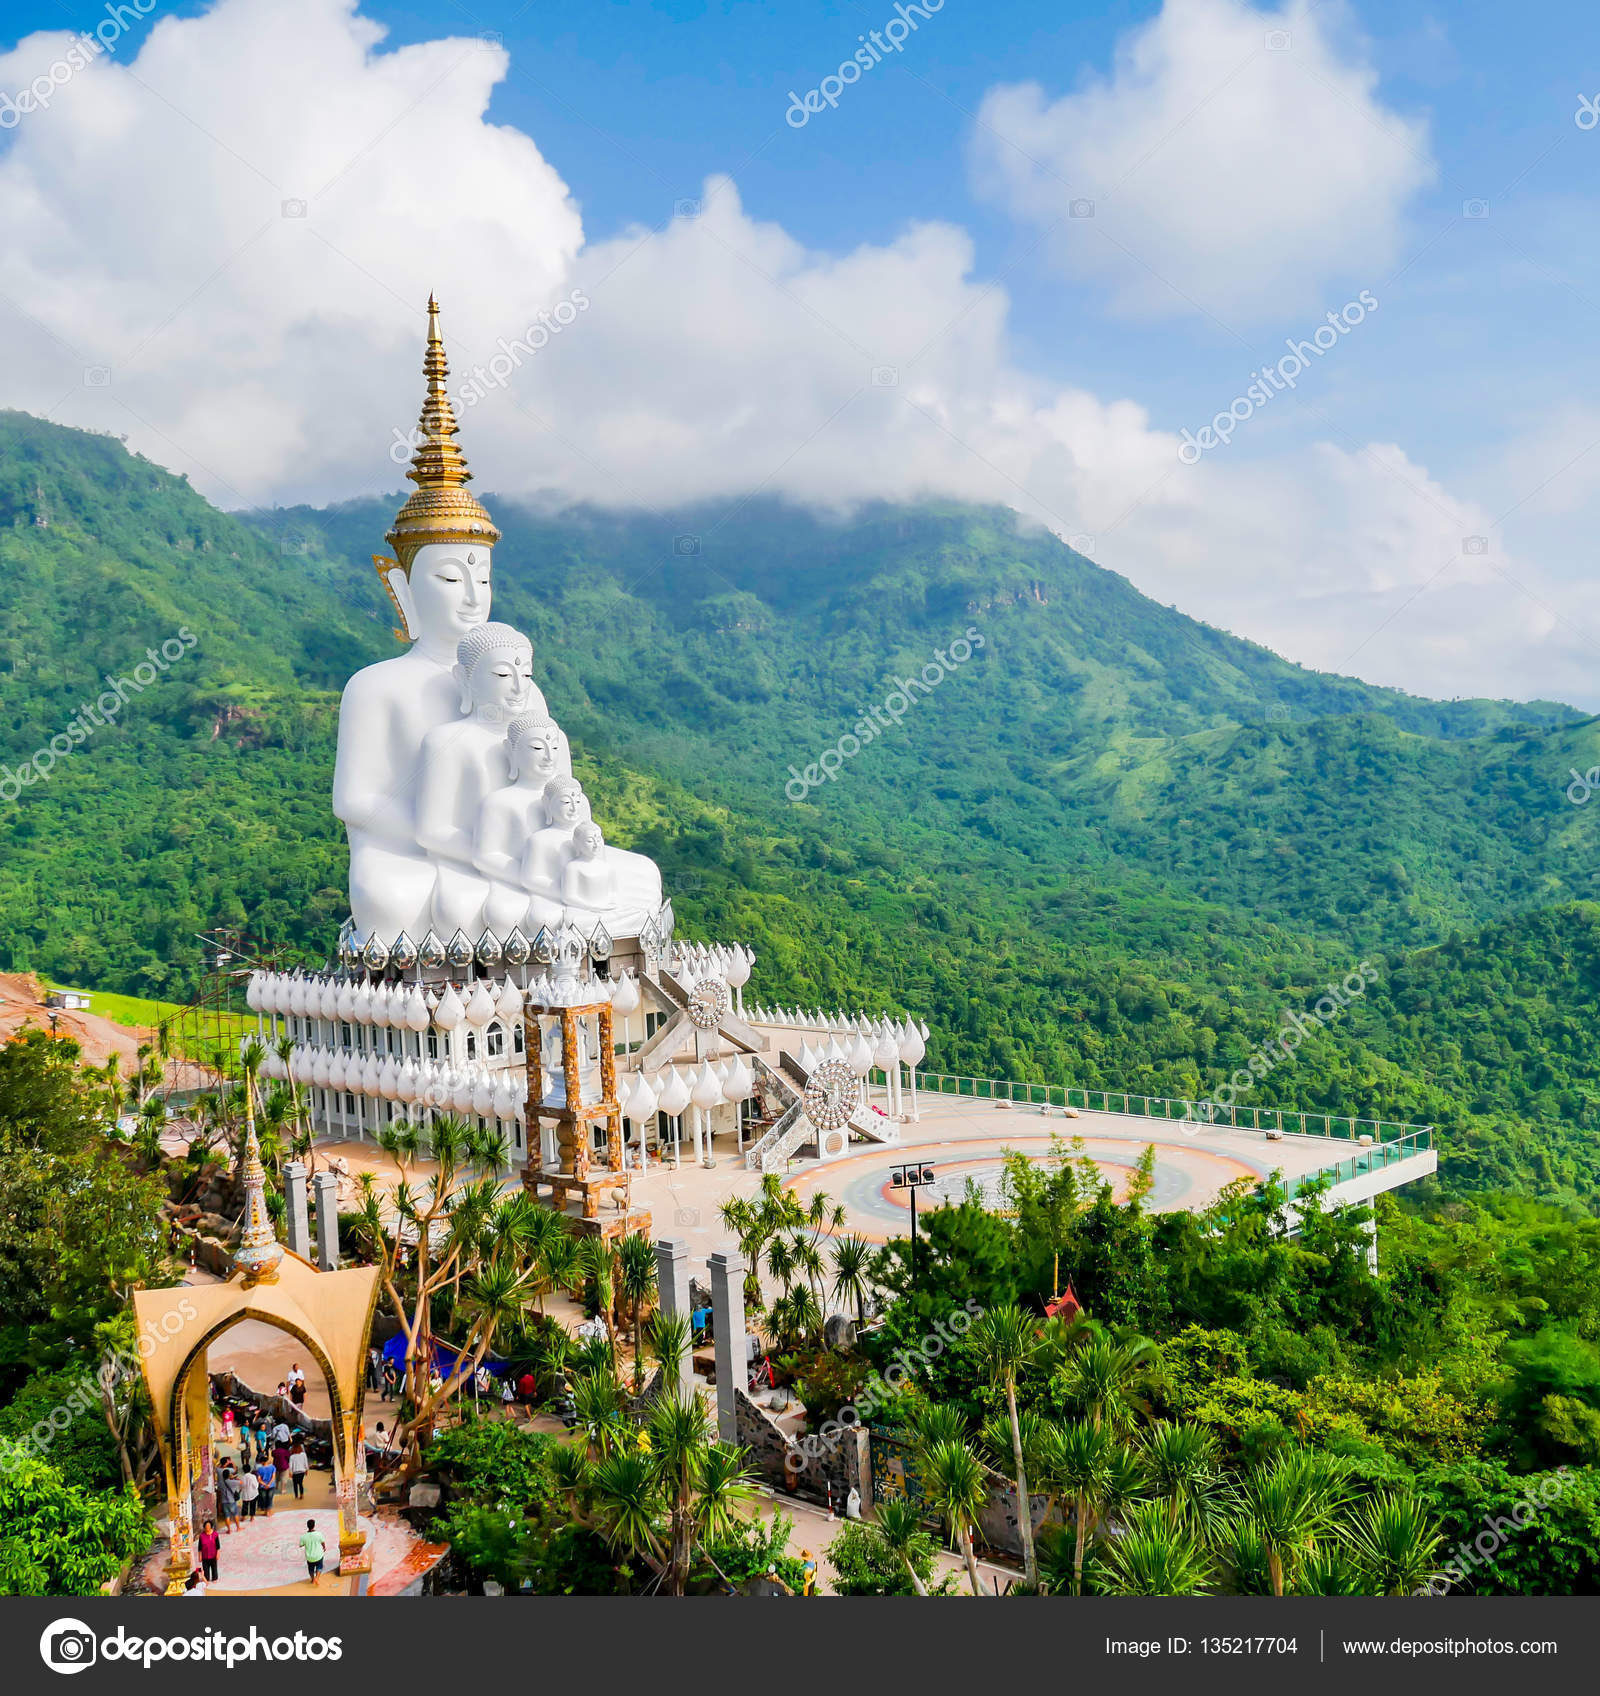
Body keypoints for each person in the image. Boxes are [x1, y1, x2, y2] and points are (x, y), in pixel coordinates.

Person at [299, 1518, 326, 1588]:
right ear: (314, 1525)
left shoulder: (303, 1536)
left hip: (309, 1557)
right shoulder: (319, 1534)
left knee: (311, 1569)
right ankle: (317, 1578)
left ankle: (313, 1579)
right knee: (319, 1567)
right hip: (318, 1555)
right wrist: (324, 1547)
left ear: (307, 1526)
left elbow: (300, 1545)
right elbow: (323, 1542)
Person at [217, 1462, 241, 1534]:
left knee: (227, 1516)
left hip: (224, 1501)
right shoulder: (231, 1482)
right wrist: (234, 1478)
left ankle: (229, 1530)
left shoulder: (220, 1483)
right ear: (229, 1475)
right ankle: (238, 1527)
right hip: (231, 1501)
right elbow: (241, 1482)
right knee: (235, 1514)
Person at [197, 1519, 220, 1583]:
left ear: (211, 1526)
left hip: (213, 1555)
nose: (207, 1527)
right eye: (206, 1526)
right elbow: (199, 1547)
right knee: (205, 1568)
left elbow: (218, 1546)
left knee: (214, 1567)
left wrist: (218, 1554)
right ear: (204, 1527)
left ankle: (214, 1578)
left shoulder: (215, 1534)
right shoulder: (202, 1536)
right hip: (205, 1556)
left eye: (209, 1526)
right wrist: (200, 1556)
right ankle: (206, 1579)